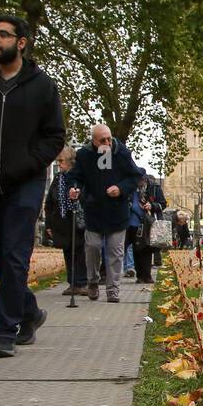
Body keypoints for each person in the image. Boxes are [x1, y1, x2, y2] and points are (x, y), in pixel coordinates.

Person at [0, 15, 66, 358]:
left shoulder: (42, 86)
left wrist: (27, 163)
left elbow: (55, 137)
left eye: (3, 35)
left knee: (15, 254)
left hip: (26, 181)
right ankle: (30, 312)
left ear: (21, 42)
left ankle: (5, 332)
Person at [67, 124, 145, 303]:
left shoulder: (122, 153)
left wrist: (120, 188)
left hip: (117, 212)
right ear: (93, 141)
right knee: (93, 247)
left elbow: (135, 176)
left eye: (109, 138)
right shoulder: (85, 155)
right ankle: (93, 281)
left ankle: (113, 289)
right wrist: (74, 189)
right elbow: (74, 177)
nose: (107, 143)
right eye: (102, 140)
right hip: (93, 210)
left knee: (115, 251)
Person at [45, 146, 87, 295]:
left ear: (70, 161)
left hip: (78, 219)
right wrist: (49, 225)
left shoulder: (80, 176)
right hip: (62, 220)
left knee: (80, 251)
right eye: (58, 161)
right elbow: (49, 202)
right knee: (68, 251)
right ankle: (72, 283)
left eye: (61, 161)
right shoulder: (58, 178)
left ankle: (82, 282)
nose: (59, 164)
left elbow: (88, 196)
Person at [129, 176, 155, 284]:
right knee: (136, 249)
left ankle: (147, 275)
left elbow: (162, 203)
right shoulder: (131, 189)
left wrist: (152, 205)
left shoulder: (153, 188)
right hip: (133, 224)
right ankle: (139, 275)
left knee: (147, 249)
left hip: (148, 223)